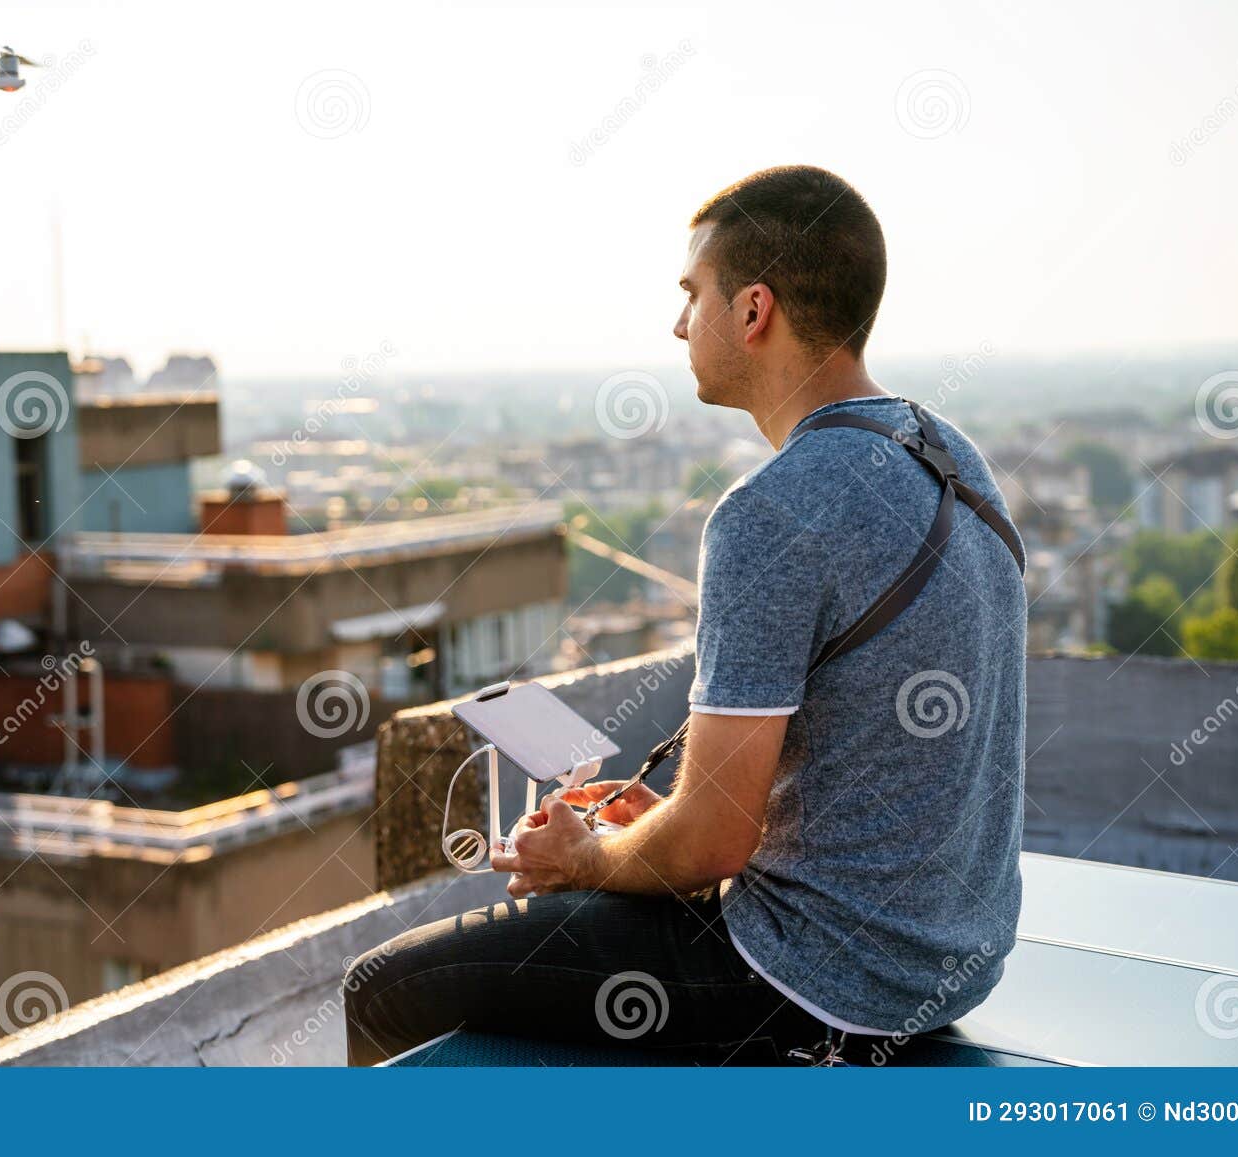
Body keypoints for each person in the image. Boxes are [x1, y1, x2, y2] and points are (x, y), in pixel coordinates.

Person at [343, 165, 1027, 1066]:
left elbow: (711, 842)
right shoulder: (949, 454)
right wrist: (646, 832)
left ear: (753, 310)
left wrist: (585, 857)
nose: (677, 324)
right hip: (953, 958)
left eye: (690, 293)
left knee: (381, 988)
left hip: (813, 982)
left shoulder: (773, 511)